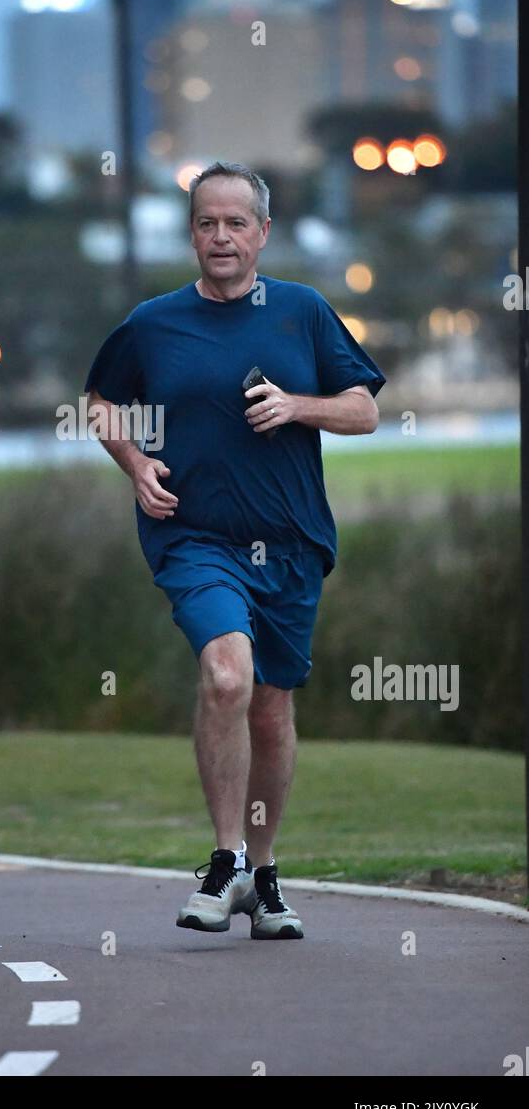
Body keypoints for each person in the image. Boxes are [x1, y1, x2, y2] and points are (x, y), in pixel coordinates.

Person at [84, 162, 386, 940]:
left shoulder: (302, 312)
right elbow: (99, 401)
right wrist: (136, 462)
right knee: (226, 673)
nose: (221, 237)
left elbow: (362, 411)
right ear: (191, 232)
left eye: (235, 223)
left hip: (287, 542)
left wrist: (296, 406)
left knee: (271, 707)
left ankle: (264, 873)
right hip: (193, 536)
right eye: (206, 223)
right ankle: (221, 865)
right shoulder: (153, 322)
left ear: (262, 232)